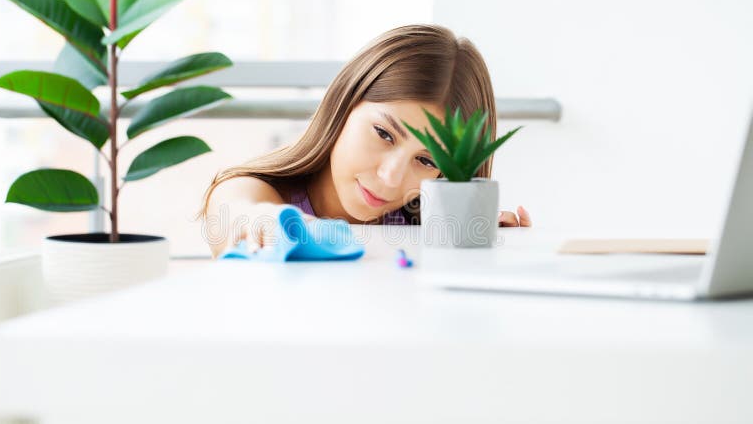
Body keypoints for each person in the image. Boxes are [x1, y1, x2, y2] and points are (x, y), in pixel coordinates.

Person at [198, 23, 531, 259]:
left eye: (427, 161)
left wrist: (492, 255)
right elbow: (237, 210)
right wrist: (262, 221)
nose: (391, 177)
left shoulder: (421, 224)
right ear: (343, 106)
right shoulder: (258, 189)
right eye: (384, 134)